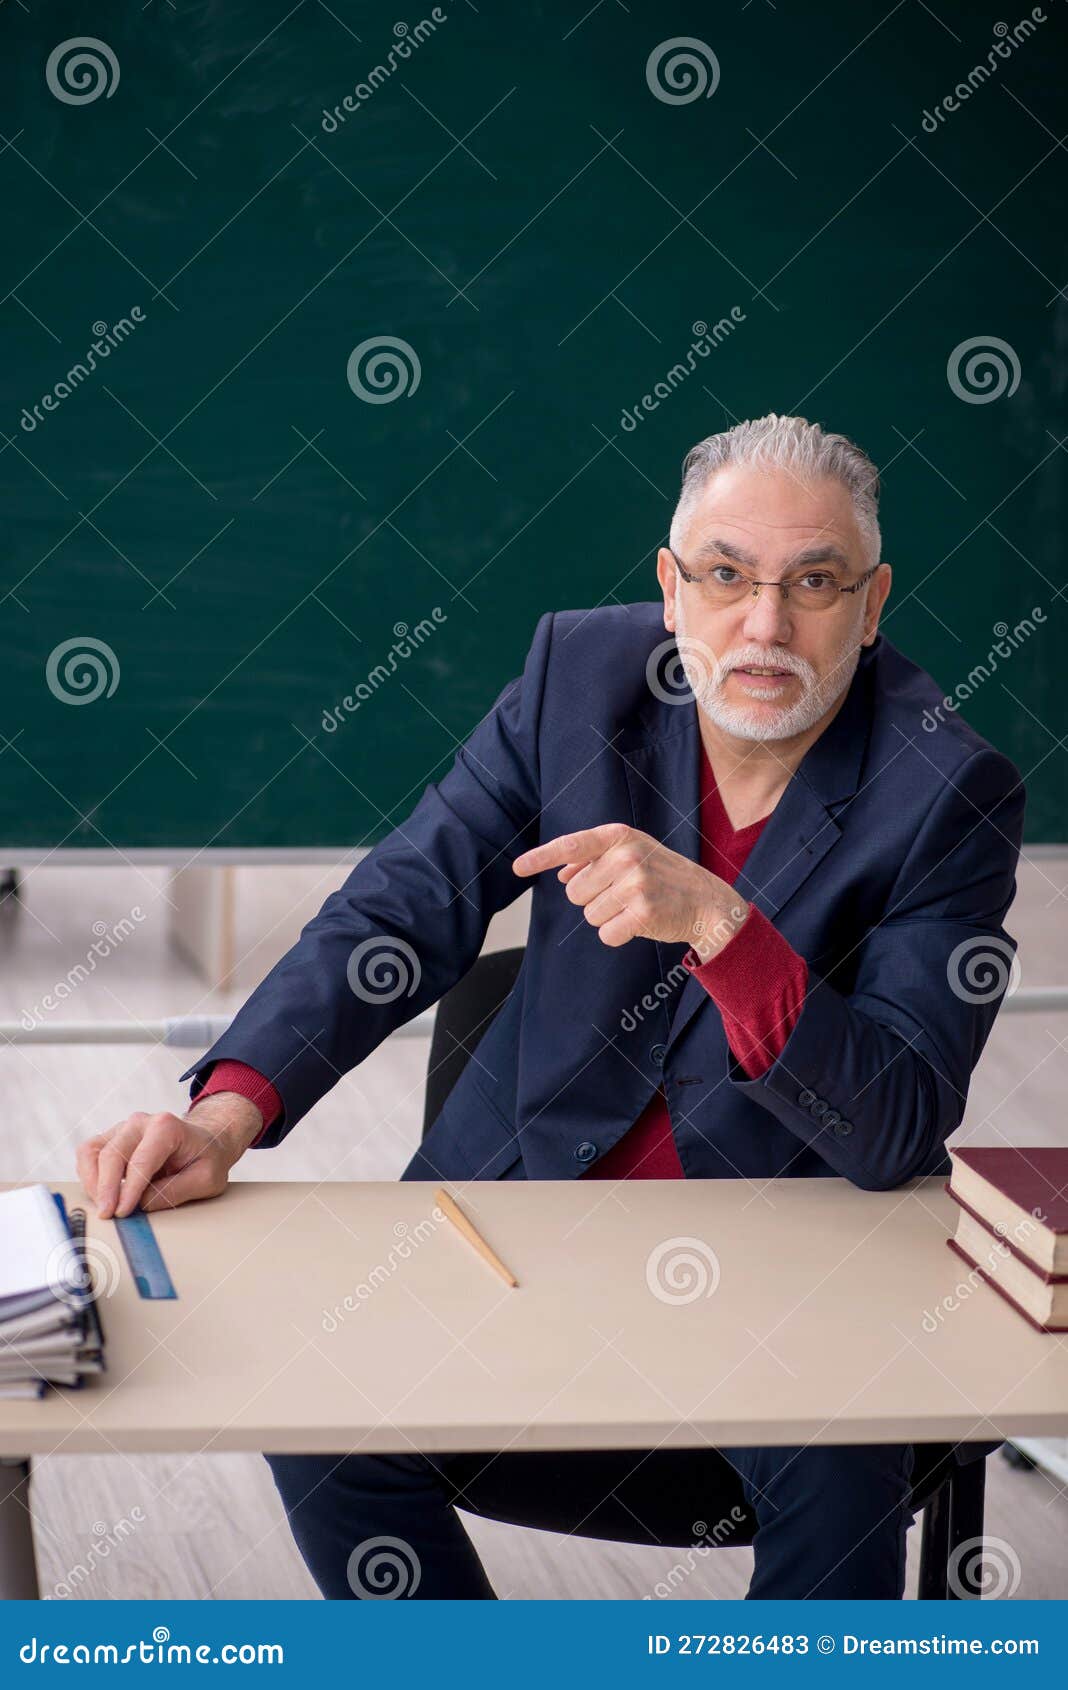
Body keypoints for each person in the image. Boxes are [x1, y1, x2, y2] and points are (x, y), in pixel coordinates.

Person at [75, 413, 1025, 1598]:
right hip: (519, 1235)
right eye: (727, 575)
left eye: (815, 582)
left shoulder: (949, 790)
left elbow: (895, 1122)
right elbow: (402, 906)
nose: (766, 623)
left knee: (843, 1482)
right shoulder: (576, 681)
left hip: (790, 1277)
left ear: (872, 604)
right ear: (671, 588)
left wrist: (726, 929)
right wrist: (227, 1114)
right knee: (322, 1408)